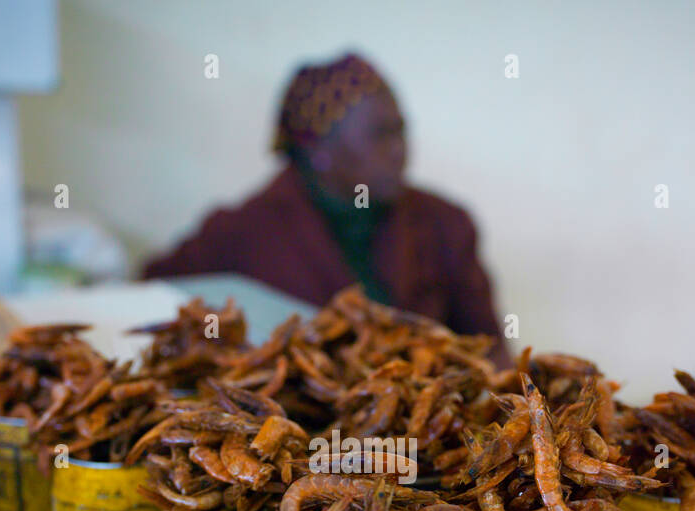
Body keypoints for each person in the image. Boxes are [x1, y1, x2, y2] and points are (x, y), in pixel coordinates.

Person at [142, 52, 508, 364]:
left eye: (401, 130)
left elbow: (490, 349)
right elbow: (149, 300)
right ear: (319, 152)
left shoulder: (446, 223)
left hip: (422, 438)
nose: (400, 149)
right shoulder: (241, 231)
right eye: (381, 134)